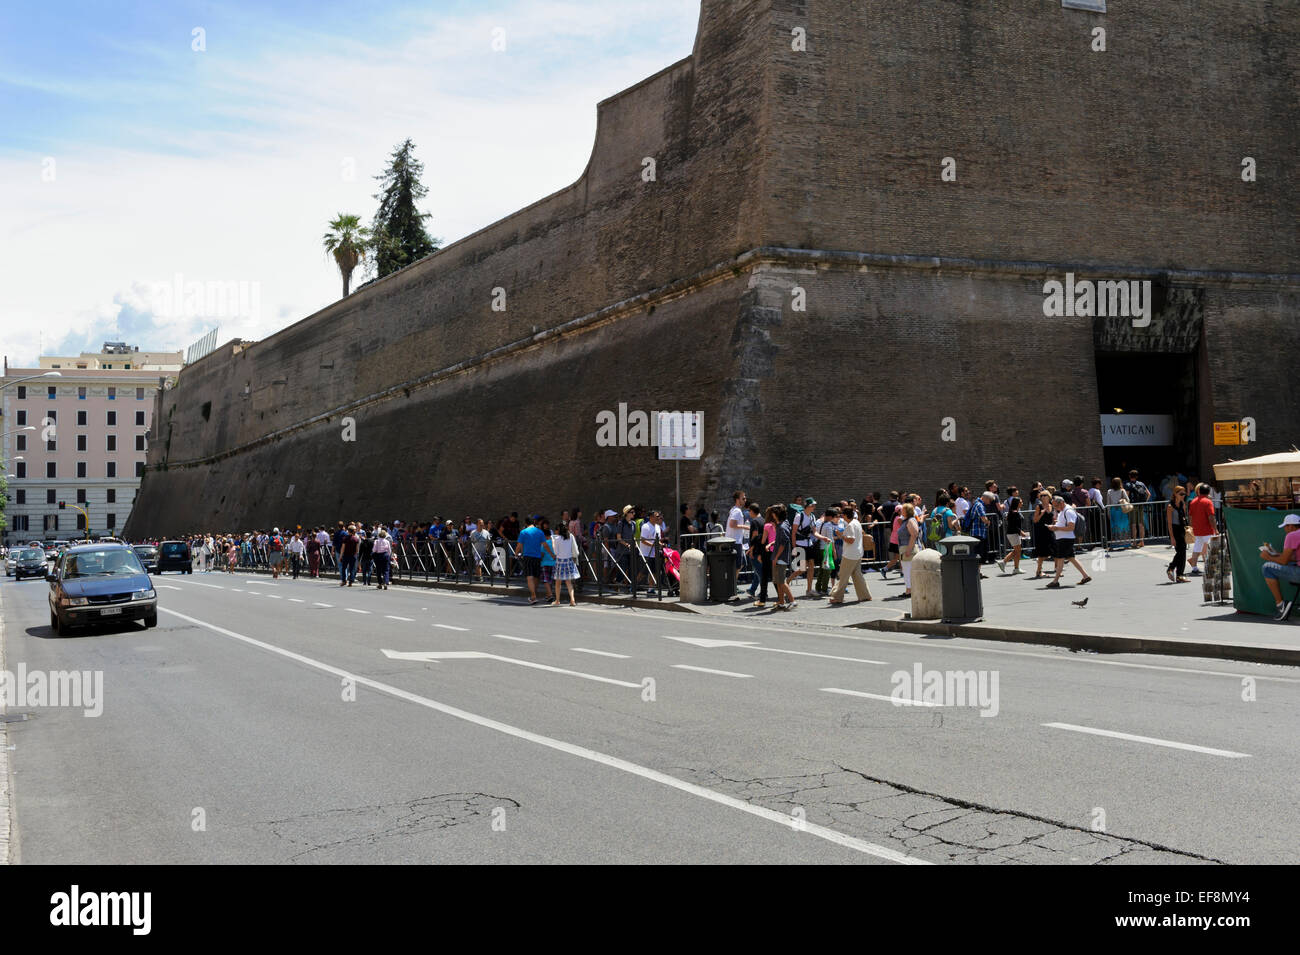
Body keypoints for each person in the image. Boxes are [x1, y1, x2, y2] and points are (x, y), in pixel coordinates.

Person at [1046, 496, 1092, 588]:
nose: (1055, 508)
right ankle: (1085, 576)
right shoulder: (1063, 511)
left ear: (1061, 503)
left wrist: (1056, 528)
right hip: (1064, 538)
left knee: (1060, 559)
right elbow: (1066, 524)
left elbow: (1071, 527)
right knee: (1071, 558)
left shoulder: (1068, 511)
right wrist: (1057, 523)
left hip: (1065, 539)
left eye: (1055, 506)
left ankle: (1055, 581)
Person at [829, 505, 872, 604]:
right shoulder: (856, 522)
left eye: (842, 515)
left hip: (850, 555)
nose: (841, 517)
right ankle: (865, 595)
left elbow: (851, 539)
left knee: (843, 576)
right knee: (857, 576)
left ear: (845, 515)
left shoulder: (850, 525)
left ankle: (837, 597)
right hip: (858, 553)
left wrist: (841, 536)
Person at [1261, 514, 1300, 620]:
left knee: (1267, 568)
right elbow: (1294, 558)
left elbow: (1283, 561)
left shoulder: (1292, 536)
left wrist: (1268, 557)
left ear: (1291, 526)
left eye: (1285, 527)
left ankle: (1281, 605)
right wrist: (1277, 554)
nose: (1285, 529)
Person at [515, 515, 546, 605]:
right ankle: (534, 595)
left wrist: (516, 553)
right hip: (537, 556)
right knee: (536, 576)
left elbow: (519, 545)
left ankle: (533, 596)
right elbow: (544, 544)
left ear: (525, 523)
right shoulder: (540, 532)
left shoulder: (523, 532)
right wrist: (551, 554)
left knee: (529, 576)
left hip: (528, 556)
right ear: (534, 522)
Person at [1187, 483, 1216, 576]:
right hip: (1207, 529)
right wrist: (1215, 528)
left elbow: (1190, 517)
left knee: (1197, 549)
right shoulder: (1208, 502)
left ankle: (1194, 568)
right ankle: (1209, 568)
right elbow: (1211, 517)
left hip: (1197, 529)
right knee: (1208, 550)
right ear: (1208, 492)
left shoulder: (1193, 501)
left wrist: (1192, 526)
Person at [549, 520, 581, 606]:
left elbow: (555, 552)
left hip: (560, 562)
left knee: (558, 583)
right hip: (569, 561)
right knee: (569, 582)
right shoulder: (571, 536)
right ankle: (572, 600)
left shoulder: (557, 539)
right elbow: (575, 549)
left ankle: (557, 600)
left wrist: (553, 543)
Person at [771, 505, 796, 610]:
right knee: (778, 581)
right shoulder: (783, 524)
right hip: (781, 557)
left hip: (781, 558)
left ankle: (793, 601)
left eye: (773, 513)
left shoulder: (782, 527)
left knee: (781, 581)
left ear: (776, 514)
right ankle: (781, 602)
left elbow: (784, 542)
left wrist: (776, 557)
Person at [726, 490, 749, 599]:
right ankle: (732, 586)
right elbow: (732, 524)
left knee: (741, 563)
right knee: (738, 565)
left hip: (736, 541)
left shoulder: (735, 510)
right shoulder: (737, 511)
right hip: (735, 541)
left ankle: (733, 584)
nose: (745, 500)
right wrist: (745, 527)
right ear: (737, 499)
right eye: (743, 498)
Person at [793, 496, 818, 596]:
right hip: (800, 544)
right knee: (802, 568)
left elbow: (815, 532)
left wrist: (823, 538)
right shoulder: (799, 516)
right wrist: (794, 547)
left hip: (809, 544)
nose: (814, 507)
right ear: (807, 506)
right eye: (812, 505)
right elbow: (794, 532)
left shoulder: (812, 516)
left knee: (811, 566)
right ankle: (788, 580)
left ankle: (809, 590)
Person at [747, 502, 769, 606]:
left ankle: (764, 593)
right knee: (758, 570)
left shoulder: (754, 521)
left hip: (756, 549)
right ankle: (752, 590)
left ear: (752, 511)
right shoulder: (764, 520)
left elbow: (755, 535)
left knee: (759, 572)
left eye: (749, 511)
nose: (749, 513)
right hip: (763, 548)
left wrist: (751, 549)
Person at [998, 487, 1024, 574]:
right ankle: (1004, 562)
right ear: (1017, 503)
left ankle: (1015, 568)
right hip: (1013, 533)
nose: (1022, 503)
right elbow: (1014, 526)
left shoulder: (1013, 512)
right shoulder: (1014, 513)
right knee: (1017, 551)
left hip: (1012, 533)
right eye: (1020, 502)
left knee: (1017, 551)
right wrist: (1021, 532)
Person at [1166, 486, 1190, 583]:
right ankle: (1171, 568)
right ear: (1175, 494)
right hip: (1175, 530)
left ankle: (1180, 574)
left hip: (1182, 529)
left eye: (1184, 494)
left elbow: (1185, 517)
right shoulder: (1170, 507)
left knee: (1183, 552)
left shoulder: (1182, 504)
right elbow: (1169, 523)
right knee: (1180, 551)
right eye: (1181, 494)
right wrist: (1172, 537)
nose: (1183, 496)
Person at [1124, 470, 1152, 547]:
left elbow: (1127, 497)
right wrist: (1144, 502)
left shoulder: (1128, 484)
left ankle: (1134, 542)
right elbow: (1149, 494)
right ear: (1137, 476)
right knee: (1141, 524)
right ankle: (1142, 542)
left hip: (1132, 506)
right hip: (1141, 505)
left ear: (1129, 476)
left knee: (1133, 524)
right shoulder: (1141, 484)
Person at [1031, 491, 1055, 579]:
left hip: (1050, 530)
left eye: (1045, 495)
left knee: (1054, 550)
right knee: (1042, 553)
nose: (1043, 497)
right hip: (1041, 531)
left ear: (1049, 496)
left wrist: (1055, 522)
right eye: (1041, 496)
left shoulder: (1051, 505)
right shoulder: (1039, 506)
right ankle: (1038, 571)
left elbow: (1053, 517)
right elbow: (1035, 520)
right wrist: (1041, 513)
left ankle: (1057, 570)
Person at [898, 502, 919, 598]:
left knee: (908, 570)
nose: (901, 511)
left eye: (903, 509)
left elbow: (914, 534)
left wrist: (909, 550)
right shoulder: (906, 520)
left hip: (908, 548)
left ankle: (910, 591)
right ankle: (908, 590)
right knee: (906, 570)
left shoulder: (910, 520)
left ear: (907, 511)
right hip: (904, 547)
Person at [1105, 477, 1131, 550]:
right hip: (1121, 511)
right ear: (1120, 483)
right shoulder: (1122, 491)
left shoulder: (1109, 491)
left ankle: (1113, 545)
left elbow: (1108, 503)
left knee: (1114, 528)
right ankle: (1126, 544)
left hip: (1113, 511)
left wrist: (1108, 513)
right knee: (1124, 527)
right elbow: (1128, 500)